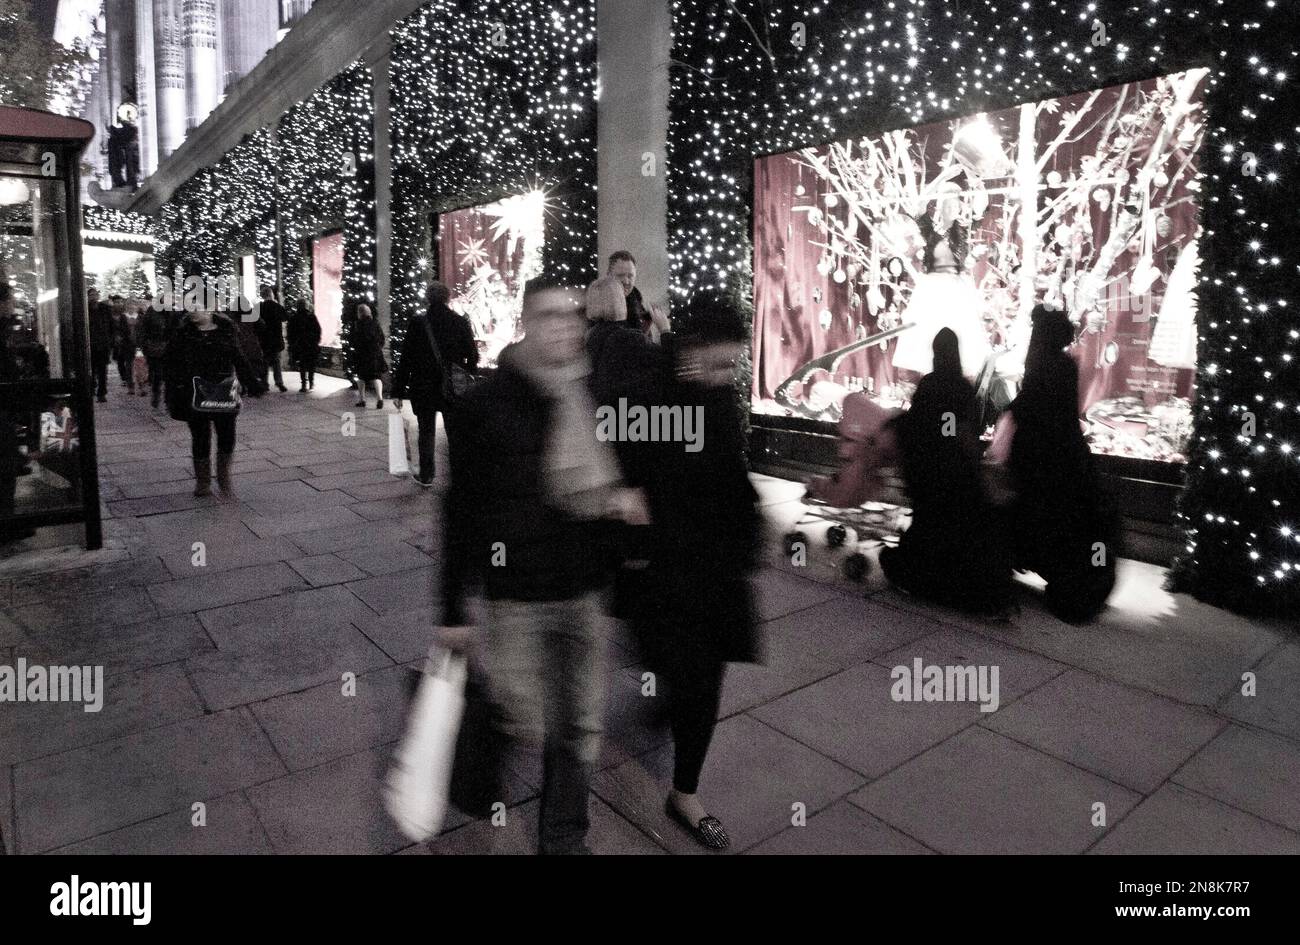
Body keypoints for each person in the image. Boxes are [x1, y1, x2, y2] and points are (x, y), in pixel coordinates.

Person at [438, 280, 648, 855]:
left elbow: (613, 481)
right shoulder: (486, 404)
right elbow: (460, 512)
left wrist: (621, 524)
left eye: (574, 315)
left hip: (583, 589)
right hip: (517, 594)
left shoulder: (593, 395)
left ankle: (563, 840)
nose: (565, 325)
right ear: (527, 321)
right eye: (551, 315)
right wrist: (453, 606)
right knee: (517, 715)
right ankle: (478, 782)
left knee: (578, 726)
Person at [619, 289, 764, 850]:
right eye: (719, 359)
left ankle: (685, 791)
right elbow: (624, 445)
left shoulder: (718, 396)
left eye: (733, 362)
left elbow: (728, 469)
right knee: (680, 667)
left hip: (716, 565)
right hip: (667, 564)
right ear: (694, 346)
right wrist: (631, 496)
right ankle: (669, 705)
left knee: (705, 678)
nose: (726, 372)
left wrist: (747, 516)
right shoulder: (656, 388)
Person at [879, 328, 1012, 614]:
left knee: (923, 543)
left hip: (928, 480)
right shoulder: (962, 389)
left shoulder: (929, 385)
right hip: (956, 480)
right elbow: (959, 433)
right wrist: (974, 464)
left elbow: (918, 427)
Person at [1002, 305, 1118, 622]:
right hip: (1065, 455)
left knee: (1041, 513)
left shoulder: (1045, 365)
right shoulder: (1065, 364)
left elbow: (1030, 405)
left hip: (1047, 459)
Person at [163, 305, 257, 497]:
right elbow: (170, 363)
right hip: (194, 392)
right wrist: (175, 389)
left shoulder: (226, 331)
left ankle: (223, 476)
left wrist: (253, 383)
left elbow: (239, 359)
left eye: (196, 307)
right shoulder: (182, 334)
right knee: (200, 437)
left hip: (223, 391)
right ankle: (203, 481)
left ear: (209, 310)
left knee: (227, 435)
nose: (191, 311)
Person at [392, 281, 478, 486]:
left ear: (428, 298)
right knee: (454, 432)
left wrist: (397, 389)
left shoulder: (418, 323)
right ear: (448, 297)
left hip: (423, 386)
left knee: (426, 431)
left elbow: (406, 358)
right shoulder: (459, 321)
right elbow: (473, 355)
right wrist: (464, 375)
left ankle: (427, 474)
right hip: (451, 386)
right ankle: (459, 474)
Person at [583, 275, 671, 404]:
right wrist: (665, 329)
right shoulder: (628, 338)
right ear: (619, 301)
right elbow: (667, 363)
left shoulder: (589, 337)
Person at [607, 250, 670, 339]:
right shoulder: (601, 306)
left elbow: (642, 342)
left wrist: (648, 323)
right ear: (609, 275)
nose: (626, 281)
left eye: (630, 276)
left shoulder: (636, 300)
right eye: (620, 275)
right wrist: (664, 330)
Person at [135, 297, 171, 408]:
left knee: (168, 375)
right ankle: (156, 395)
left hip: (168, 348)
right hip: (154, 348)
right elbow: (143, 330)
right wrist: (143, 346)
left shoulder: (172, 312)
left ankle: (167, 398)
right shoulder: (152, 312)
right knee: (157, 374)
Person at [351, 303, 387, 408]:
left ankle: (362, 399)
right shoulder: (375, 323)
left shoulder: (357, 324)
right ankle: (380, 398)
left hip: (362, 355)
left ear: (359, 313)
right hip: (375, 354)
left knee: (361, 377)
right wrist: (378, 348)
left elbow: (354, 340)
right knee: (376, 377)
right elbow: (382, 338)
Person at [255, 287, 289, 392]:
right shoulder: (277, 306)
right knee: (276, 362)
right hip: (275, 339)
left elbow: (254, 323)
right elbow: (285, 317)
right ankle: (279, 382)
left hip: (264, 339)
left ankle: (264, 383)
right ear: (271, 294)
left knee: (264, 362)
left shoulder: (258, 307)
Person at [286, 300, 322, 392]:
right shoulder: (311, 317)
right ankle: (311, 383)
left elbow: (290, 332)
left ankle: (303, 384)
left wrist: (292, 343)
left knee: (302, 364)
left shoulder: (294, 318)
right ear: (306, 306)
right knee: (311, 364)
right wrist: (316, 341)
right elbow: (318, 330)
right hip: (311, 344)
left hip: (300, 345)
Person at [87, 287, 113, 403]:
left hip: (103, 344)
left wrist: (110, 340)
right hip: (90, 344)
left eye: (95, 294)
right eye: (91, 295)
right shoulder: (85, 309)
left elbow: (111, 325)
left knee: (102, 370)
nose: (93, 297)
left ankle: (101, 393)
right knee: (91, 369)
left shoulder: (105, 309)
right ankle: (92, 388)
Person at [109, 295, 135, 393]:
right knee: (120, 361)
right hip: (116, 343)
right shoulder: (110, 314)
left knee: (128, 362)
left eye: (120, 302)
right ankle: (124, 378)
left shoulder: (126, 313)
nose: (118, 304)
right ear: (113, 303)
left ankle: (129, 381)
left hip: (127, 342)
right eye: (116, 302)